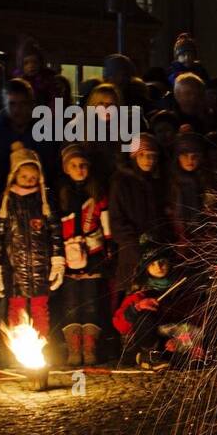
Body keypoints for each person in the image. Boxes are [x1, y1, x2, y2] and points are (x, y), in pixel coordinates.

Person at [0, 142, 64, 341]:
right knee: (16, 309)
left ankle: (40, 346)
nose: (29, 181)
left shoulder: (44, 200)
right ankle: (18, 350)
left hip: (40, 267)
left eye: (33, 177)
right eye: (24, 177)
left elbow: (55, 231)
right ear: (14, 175)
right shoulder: (7, 201)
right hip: (14, 269)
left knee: (40, 308)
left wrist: (57, 260)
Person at [55, 144, 111, 366]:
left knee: (90, 303)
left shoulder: (97, 193)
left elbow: (106, 225)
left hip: (93, 255)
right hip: (69, 257)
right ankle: (73, 348)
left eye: (83, 165)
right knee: (70, 304)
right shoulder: (60, 193)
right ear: (66, 168)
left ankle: (89, 349)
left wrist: (108, 249)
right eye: (74, 166)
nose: (79, 169)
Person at [113, 238, 201, 369]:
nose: (158, 267)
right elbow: (120, 325)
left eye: (162, 262)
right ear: (146, 268)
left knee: (191, 360)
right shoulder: (139, 292)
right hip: (149, 342)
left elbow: (195, 319)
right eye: (152, 264)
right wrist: (137, 308)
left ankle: (182, 358)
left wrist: (182, 342)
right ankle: (149, 356)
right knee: (145, 315)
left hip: (176, 339)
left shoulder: (182, 288)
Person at [108, 133, 165, 293]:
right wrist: (136, 244)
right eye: (143, 155)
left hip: (155, 254)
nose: (149, 160)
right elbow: (116, 220)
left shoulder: (155, 183)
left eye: (152, 156)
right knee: (133, 299)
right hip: (131, 254)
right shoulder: (121, 182)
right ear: (134, 156)